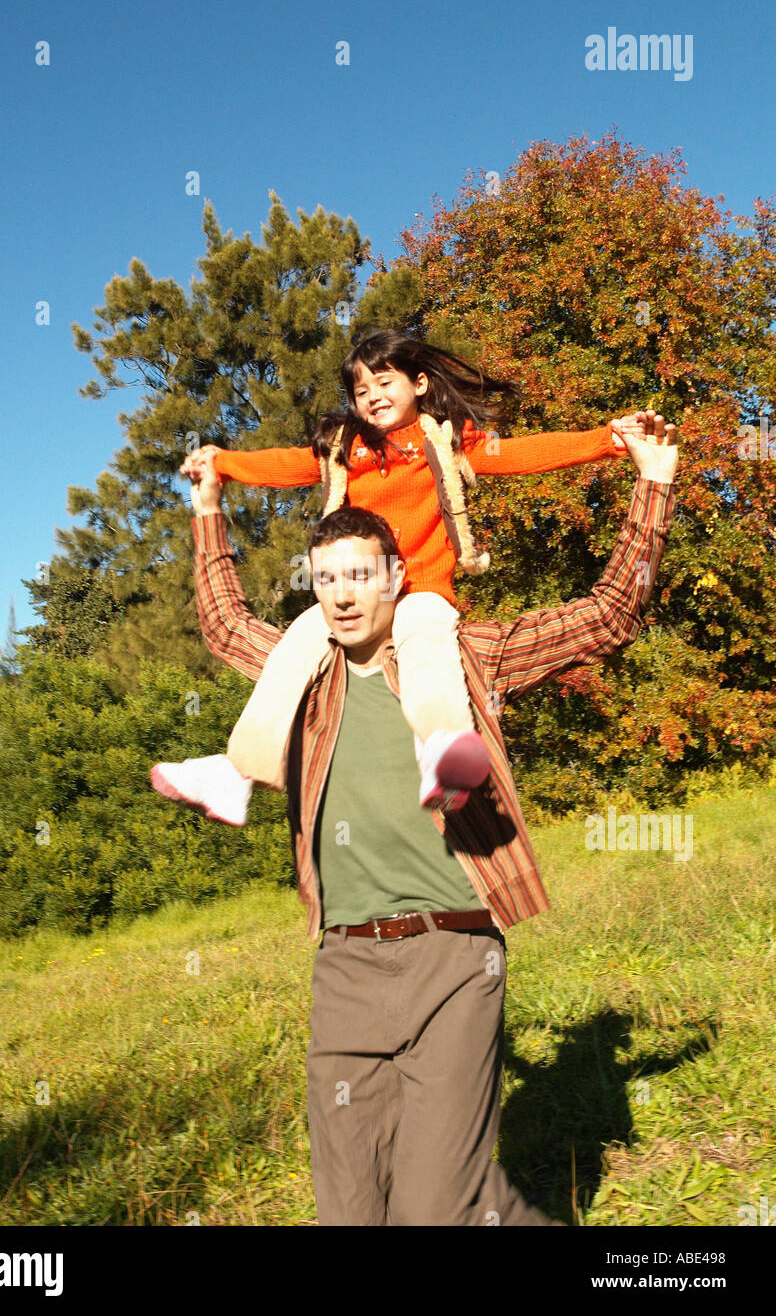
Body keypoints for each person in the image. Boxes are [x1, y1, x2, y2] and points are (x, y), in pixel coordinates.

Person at [185, 408, 678, 1226]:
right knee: (350, 1214)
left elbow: (608, 614)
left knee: (433, 1210)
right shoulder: (302, 682)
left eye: (358, 575)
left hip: (454, 957)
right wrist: (208, 504)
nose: (342, 594)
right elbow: (221, 621)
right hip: (344, 968)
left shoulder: (466, 657)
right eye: (325, 578)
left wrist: (653, 484)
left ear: (394, 578)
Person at [151, 329, 635, 824]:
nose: (372, 398)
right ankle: (237, 773)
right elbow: (289, 464)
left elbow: (522, 454)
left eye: (383, 383)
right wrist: (223, 464)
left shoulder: (445, 440)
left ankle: (444, 754)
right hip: (360, 593)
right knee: (294, 649)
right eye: (361, 392)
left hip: (422, 591)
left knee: (429, 657)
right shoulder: (347, 447)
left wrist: (607, 441)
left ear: (420, 383)